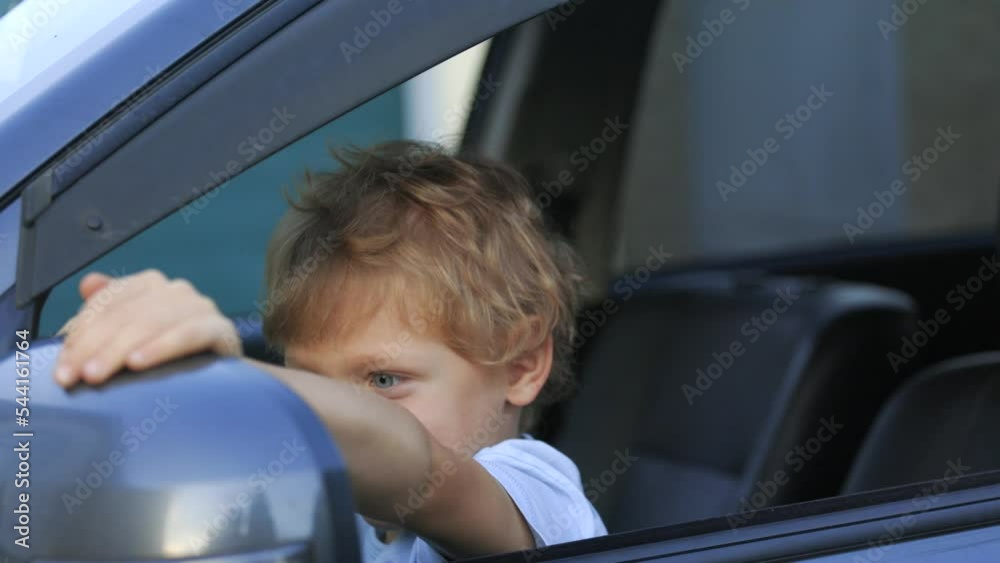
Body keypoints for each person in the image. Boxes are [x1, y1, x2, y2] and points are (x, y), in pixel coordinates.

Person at [52, 141, 607, 560]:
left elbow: (416, 467)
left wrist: (228, 379)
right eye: (311, 378)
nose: (335, 414)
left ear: (521, 366)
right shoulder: (345, 502)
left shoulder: (536, 494)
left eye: (384, 379)